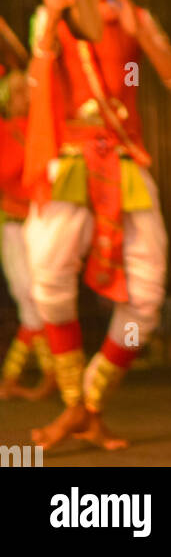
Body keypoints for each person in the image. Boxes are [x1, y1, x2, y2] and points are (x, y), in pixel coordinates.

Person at [23, 0, 171, 450]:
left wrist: (145, 33)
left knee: (145, 297)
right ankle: (78, 404)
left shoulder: (135, 14)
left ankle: (85, 403)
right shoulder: (53, 15)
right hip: (71, 159)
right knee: (47, 276)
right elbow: (34, 89)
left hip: (124, 159)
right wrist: (50, 18)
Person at [0, 66, 55, 400]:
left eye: (26, 92)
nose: (23, 98)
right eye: (17, 93)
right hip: (12, 223)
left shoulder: (38, 128)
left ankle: (14, 378)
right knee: (29, 297)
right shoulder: (5, 131)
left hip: (39, 219)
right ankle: (50, 374)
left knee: (38, 300)